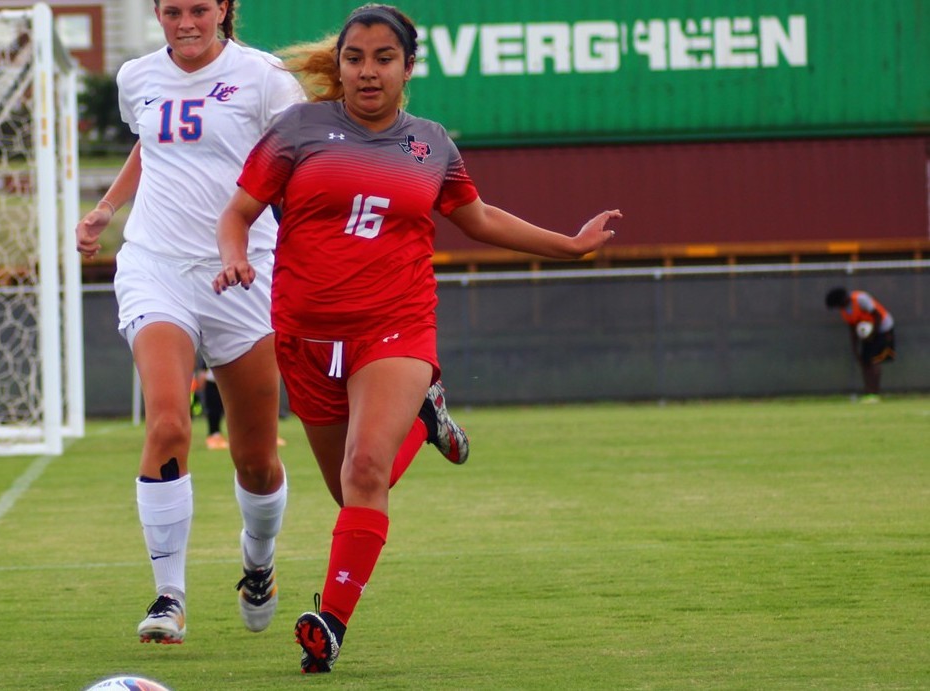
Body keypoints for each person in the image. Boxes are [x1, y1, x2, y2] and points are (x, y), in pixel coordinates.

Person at [212, 3, 621, 673]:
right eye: (354, 59)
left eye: (382, 59)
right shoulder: (296, 130)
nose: (367, 72)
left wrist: (567, 246)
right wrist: (234, 253)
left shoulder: (430, 143)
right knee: (353, 497)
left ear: (409, 67)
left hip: (394, 326)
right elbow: (238, 212)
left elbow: (478, 217)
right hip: (305, 335)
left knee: (365, 471)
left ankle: (329, 625)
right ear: (338, 66)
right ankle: (426, 417)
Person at [73, 0, 467, 646]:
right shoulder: (136, 76)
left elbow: (308, 157)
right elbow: (154, 144)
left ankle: (258, 559)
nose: (185, 22)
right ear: (156, 14)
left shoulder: (264, 81)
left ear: (224, 9)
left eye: (198, 9)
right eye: (171, 11)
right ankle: (168, 596)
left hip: (249, 274)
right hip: (156, 265)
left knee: (256, 461)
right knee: (168, 419)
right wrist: (107, 209)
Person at [825, 287, 896, 401]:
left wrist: (873, 334)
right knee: (865, 361)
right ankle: (868, 393)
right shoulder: (845, 311)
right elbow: (853, 329)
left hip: (882, 329)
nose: (839, 308)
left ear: (843, 299)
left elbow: (877, 315)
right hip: (867, 333)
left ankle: (875, 393)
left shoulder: (860, 299)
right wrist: (855, 350)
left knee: (875, 360)